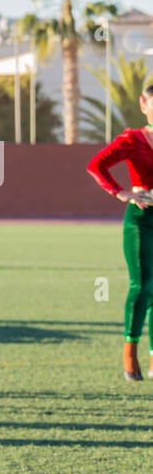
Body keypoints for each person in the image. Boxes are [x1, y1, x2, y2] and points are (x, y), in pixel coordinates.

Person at [86, 84, 153, 380]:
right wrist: (120, 193)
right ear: (143, 104)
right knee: (143, 285)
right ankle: (130, 350)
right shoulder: (133, 139)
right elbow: (95, 165)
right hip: (141, 218)